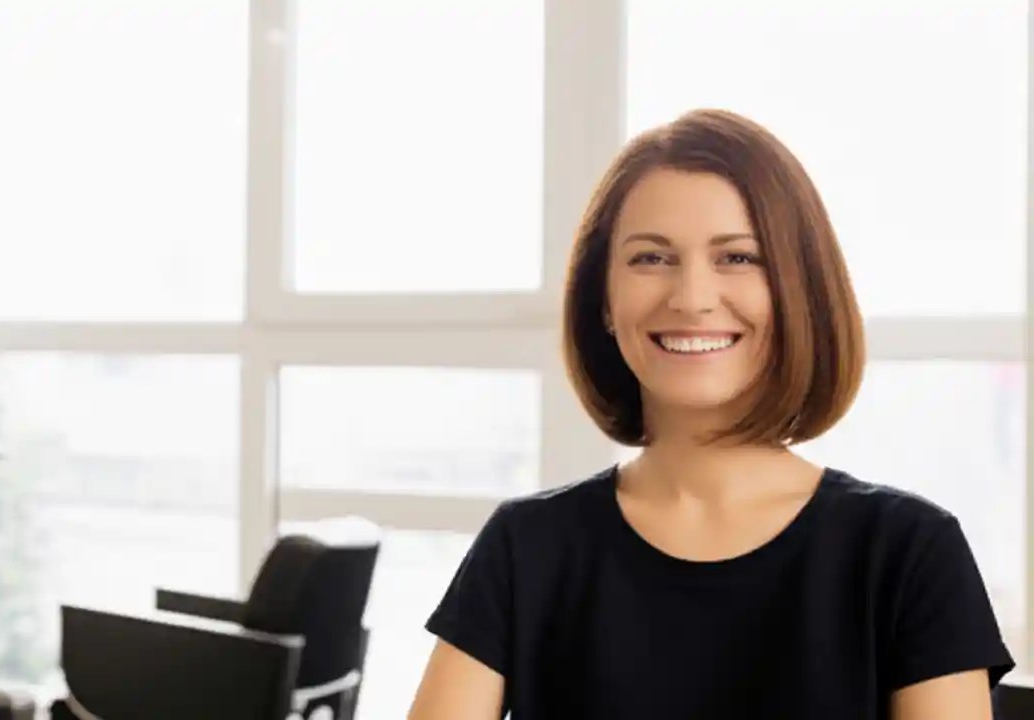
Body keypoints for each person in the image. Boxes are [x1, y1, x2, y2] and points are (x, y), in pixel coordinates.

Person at [407, 109, 1014, 719]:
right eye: (651, 258)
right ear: (605, 302)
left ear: (798, 292)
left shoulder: (909, 552)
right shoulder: (526, 547)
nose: (692, 298)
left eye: (738, 258)